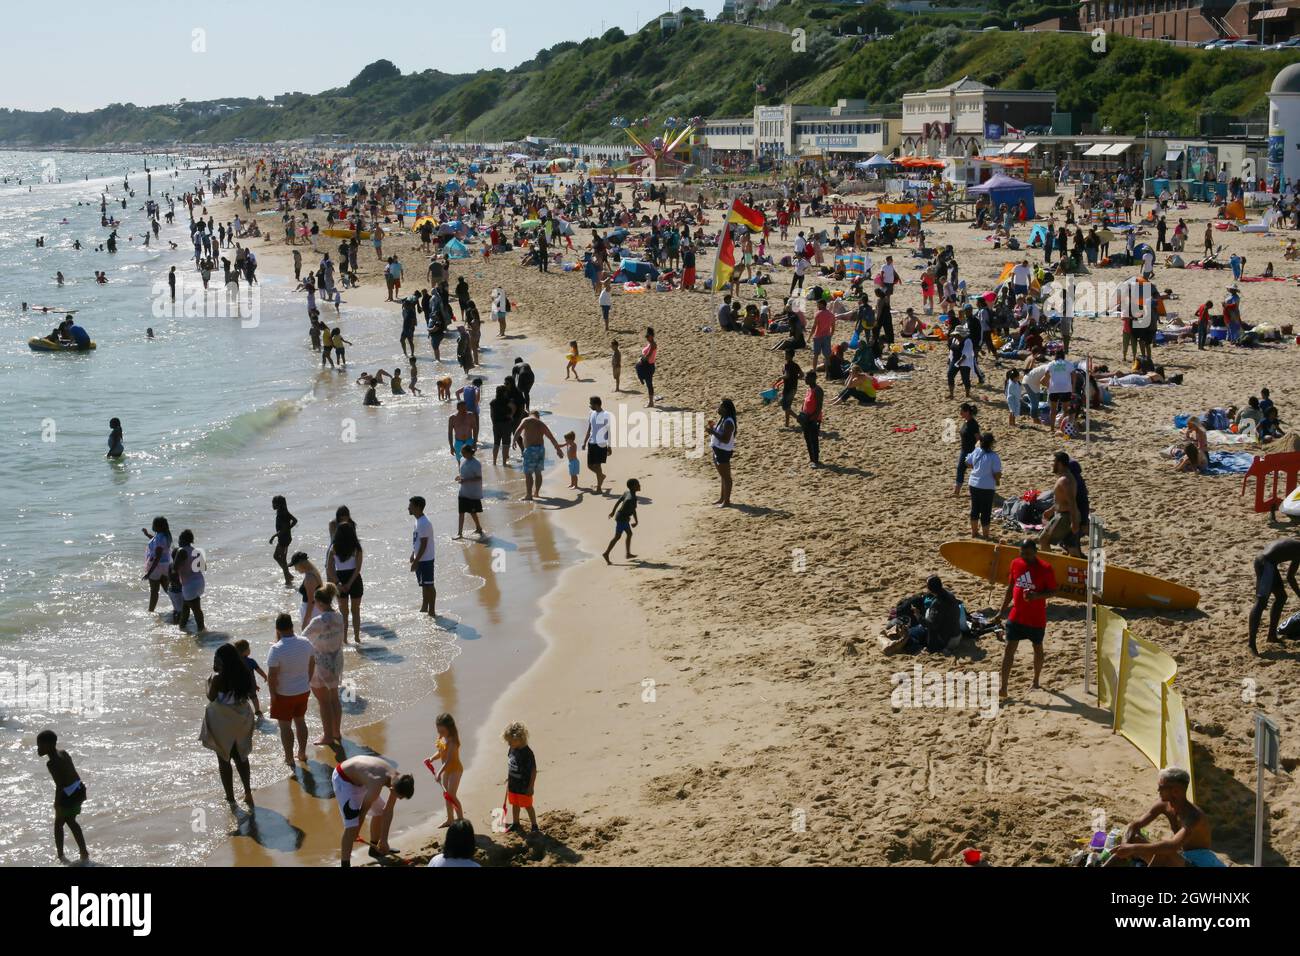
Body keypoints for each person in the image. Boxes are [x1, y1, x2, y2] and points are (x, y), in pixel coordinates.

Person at [1107, 768, 1223, 867]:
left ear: (1175, 791)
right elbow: (1135, 825)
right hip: (1181, 857)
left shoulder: (1193, 815)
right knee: (1135, 836)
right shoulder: (1164, 805)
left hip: (1200, 863)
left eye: (1161, 787)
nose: (1158, 790)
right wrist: (1127, 844)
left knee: (1163, 851)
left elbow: (1173, 845)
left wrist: (1133, 849)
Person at [993, 539, 1057, 701]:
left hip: (1036, 618)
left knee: (1037, 649)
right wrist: (1001, 611)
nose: (1025, 557)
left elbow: (1052, 591)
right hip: (1016, 616)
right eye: (1023, 553)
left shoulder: (1045, 569)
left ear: (1035, 552)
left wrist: (1036, 596)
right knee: (1009, 650)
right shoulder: (1015, 563)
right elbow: (1010, 588)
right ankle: (1003, 687)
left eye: (1028, 554)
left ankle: (1035, 680)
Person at [332, 754, 415, 866]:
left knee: (379, 811)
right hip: (344, 779)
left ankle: (375, 848)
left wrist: (384, 840)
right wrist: (357, 831)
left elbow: (388, 810)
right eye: (399, 796)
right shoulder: (377, 783)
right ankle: (345, 864)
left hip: (362, 778)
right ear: (392, 788)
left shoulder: (398, 779)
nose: (399, 799)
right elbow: (363, 811)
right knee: (351, 826)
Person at [201, 643, 255, 807]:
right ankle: (247, 792)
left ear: (221, 661)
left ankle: (230, 797)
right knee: (241, 757)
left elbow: (211, 697)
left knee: (224, 758)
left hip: (223, 721)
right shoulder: (244, 673)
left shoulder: (218, 678)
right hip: (242, 719)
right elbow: (250, 692)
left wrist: (210, 679)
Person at [266, 613, 315, 766]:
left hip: (284, 693)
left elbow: (272, 676)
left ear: (277, 629)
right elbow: (312, 663)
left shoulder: (276, 649)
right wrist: (308, 679)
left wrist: (272, 694)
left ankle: (288, 757)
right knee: (300, 721)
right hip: (303, 689)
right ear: (292, 626)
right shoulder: (306, 642)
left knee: (285, 726)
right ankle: (302, 753)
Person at [36, 729, 89, 863]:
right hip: (79, 788)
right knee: (67, 822)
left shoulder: (51, 763)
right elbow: (72, 773)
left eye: (40, 745)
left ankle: (64, 856)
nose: (38, 748)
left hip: (68, 794)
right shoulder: (63, 753)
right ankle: (79, 853)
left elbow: (60, 785)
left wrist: (56, 803)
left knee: (64, 823)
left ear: (48, 745)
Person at [303, 584, 345, 747]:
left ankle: (327, 735)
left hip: (321, 663)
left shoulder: (318, 621)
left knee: (323, 702)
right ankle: (336, 732)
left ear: (320, 603)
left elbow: (303, 639)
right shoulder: (339, 615)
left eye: (314, 602)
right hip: (336, 661)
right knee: (334, 698)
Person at [1248, 538, 1300, 655]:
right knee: (1261, 601)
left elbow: (1290, 576)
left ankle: (1271, 635)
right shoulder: (1298, 548)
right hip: (1264, 562)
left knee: (1281, 597)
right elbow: (1290, 577)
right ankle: (1251, 644)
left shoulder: (1297, 549)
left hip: (1269, 563)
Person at [1039, 451, 1083, 557]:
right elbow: (1062, 501)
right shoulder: (1066, 478)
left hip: (1065, 517)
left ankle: (1049, 567)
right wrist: (1051, 510)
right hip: (1068, 515)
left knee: (1043, 540)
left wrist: (1074, 522)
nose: (1052, 464)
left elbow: (1072, 502)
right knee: (1071, 546)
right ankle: (1078, 568)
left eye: (1054, 461)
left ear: (1059, 463)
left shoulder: (1065, 480)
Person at [327, 522, 364, 644]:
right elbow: (358, 568)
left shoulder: (334, 548)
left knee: (344, 612)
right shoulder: (357, 548)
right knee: (355, 610)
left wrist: (338, 584)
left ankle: (344, 640)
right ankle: (357, 638)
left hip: (340, 579)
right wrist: (349, 583)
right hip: (355, 579)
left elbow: (329, 568)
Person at [515, 410, 564, 501]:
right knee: (538, 472)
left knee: (528, 473)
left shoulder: (526, 420)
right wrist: (558, 449)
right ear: (538, 416)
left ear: (530, 414)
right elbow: (551, 437)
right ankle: (536, 493)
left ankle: (529, 495)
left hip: (530, 450)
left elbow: (518, 430)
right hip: (540, 450)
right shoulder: (541, 423)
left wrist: (514, 440)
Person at [503, 722, 540, 835]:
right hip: (513, 784)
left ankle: (534, 825)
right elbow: (511, 763)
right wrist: (508, 778)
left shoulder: (528, 753)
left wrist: (531, 786)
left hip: (524, 785)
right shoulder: (512, 749)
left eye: (510, 741)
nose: (508, 744)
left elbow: (533, 770)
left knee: (528, 805)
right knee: (514, 804)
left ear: (519, 738)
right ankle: (516, 823)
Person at [429, 713, 464, 829]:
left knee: (452, 795)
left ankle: (460, 820)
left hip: (455, 770)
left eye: (442, 731)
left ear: (450, 729)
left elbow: (448, 760)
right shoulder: (443, 739)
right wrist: (431, 759)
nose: (440, 734)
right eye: (438, 731)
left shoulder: (453, 742)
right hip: (447, 771)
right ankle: (450, 819)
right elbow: (440, 753)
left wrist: (438, 772)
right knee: (446, 795)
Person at [966, 432, 1002, 539]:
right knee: (986, 511)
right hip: (987, 486)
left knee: (975, 509)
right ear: (991, 444)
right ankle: (986, 535)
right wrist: (998, 481)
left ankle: (974, 533)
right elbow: (997, 473)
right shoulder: (994, 457)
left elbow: (967, 462)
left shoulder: (977, 451)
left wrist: (977, 469)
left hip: (973, 483)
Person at [705, 399, 737, 507]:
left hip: (723, 452)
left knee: (726, 477)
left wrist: (712, 432)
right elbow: (720, 435)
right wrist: (713, 428)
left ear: (726, 409)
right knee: (723, 476)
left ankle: (726, 501)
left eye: (720, 407)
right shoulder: (723, 419)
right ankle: (722, 498)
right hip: (717, 450)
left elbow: (726, 439)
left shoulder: (728, 422)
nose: (718, 408)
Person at [408, 496, 436, 617]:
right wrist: (412, 554)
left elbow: (424, 544)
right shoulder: (418, 521)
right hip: (420, 558)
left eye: (411, 505)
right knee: (424, 584)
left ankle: (432, 611)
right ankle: (425, 607)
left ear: (417, 507)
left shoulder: (424, 523)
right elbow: (418, 541)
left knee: (429, 585)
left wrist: (416, 561)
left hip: (426, 559)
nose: (408, 508)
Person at [603, 478, 641, 563]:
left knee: (629, 534)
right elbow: (633, 510)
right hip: (622, 519)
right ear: (633, 487)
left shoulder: (627, 492)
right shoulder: (632, 498)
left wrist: (613, 512)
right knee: (617, 537)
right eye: (638, 484)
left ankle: (628, 553)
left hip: (621, 517)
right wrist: (636, 521)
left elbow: (618, 502)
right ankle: (606, 553)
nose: (639, 485)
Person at [176, 529, 206, 632]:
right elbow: (203, 567)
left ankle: (202, 630)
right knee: (186, 607)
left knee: (196, 609)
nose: (178, 541)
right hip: (199, 582)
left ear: (183, 540)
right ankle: (181, 627)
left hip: (189, 584)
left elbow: (175, 568)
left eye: (179, 539)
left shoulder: (181, 551)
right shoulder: (196, 551)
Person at [141, 516, 172, 613]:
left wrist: (149, 573)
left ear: (157, 526)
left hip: (156, 567)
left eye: (153, 524)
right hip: (166, 565)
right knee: (168, 589)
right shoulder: (165, 536)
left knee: (154, 592)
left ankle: (150, 611)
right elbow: (155, 541)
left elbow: (157, 557)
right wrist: (147, 534)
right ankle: (181, 605)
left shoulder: (159, 538)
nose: (152, 525)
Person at [583, 396, 613, 494]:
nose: (590, 405)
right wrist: (584, 442)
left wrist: (609, 446)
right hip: (591, 443)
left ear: (596, 404)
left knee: (597, 465)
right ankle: (601, 476)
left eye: (591, 403)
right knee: (590, 466)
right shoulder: (591, 413)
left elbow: (609, 431)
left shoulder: (606, 415)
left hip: (601, 444)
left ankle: (599, 487)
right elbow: (589, 428)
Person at [455, 443, 485, 538]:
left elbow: (479, 478)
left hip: (472, 492)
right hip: (463, 491)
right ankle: (459, 533)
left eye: (464, 453)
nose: (462, 454)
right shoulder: (462, 459)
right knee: (461, 512)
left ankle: (479, 528)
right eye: (461, 452)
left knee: (472, 512)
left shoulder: (476, 463)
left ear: (470, 453)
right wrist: (459, 477)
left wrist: (465, 480)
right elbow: (463, 473)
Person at [269, 495, 298, 588]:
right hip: (285, 537)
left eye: (274, 503)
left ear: (279, 504)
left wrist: (274, 536)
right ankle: (288, 576)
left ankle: (288, 578)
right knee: (280, 558)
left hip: (284, 539)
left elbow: (284, 528)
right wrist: (288, 528)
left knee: (278, 557)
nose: (272, 505)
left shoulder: (282, 514)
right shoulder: (283, 512)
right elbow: (295, 520)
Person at [236, 639, 268, 719]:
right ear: (245, 651)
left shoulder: (235, 662)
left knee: (242, 699)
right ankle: (257, 711)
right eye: (248, 648)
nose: (250, 650)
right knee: (254, 697)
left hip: (239, 685)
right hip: (250, 685)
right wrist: (265, 676)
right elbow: (258, 670)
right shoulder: (251, 661)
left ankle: (242, 713)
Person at [799, 371, 824, 468]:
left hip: (814, 419)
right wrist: (802, 413)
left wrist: (812, 418)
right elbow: (804, 403)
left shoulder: (818, 390)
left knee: (813, 439)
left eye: (806, 377)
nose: (805, 379)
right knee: (807, 439)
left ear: (813, 378)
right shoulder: (809, 389)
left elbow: (819, 407)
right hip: (806, 418)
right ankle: (812, 459)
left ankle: (815, 460)